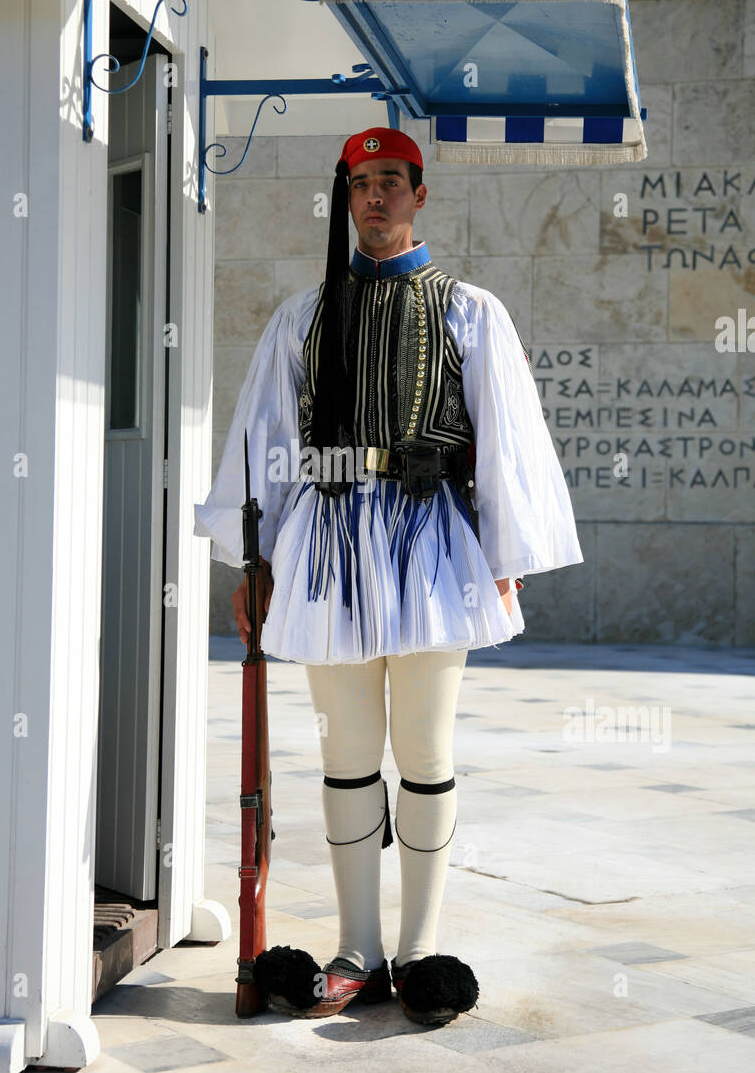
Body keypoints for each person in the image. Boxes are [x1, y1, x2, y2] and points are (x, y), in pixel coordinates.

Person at [194, 127, 583, 1026]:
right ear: (347, 196)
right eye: (360, 184)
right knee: (344, 756)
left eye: (390, 184)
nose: (374, 198)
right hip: (328, 549)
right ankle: (357, 947)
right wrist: (257, 559)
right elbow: (268, 443)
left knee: (426, 753)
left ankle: (421, 951)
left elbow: (506, 436)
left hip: (431, 548)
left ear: (419, 195)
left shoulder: (469, 310)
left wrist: (505, 558)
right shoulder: (305, 315)